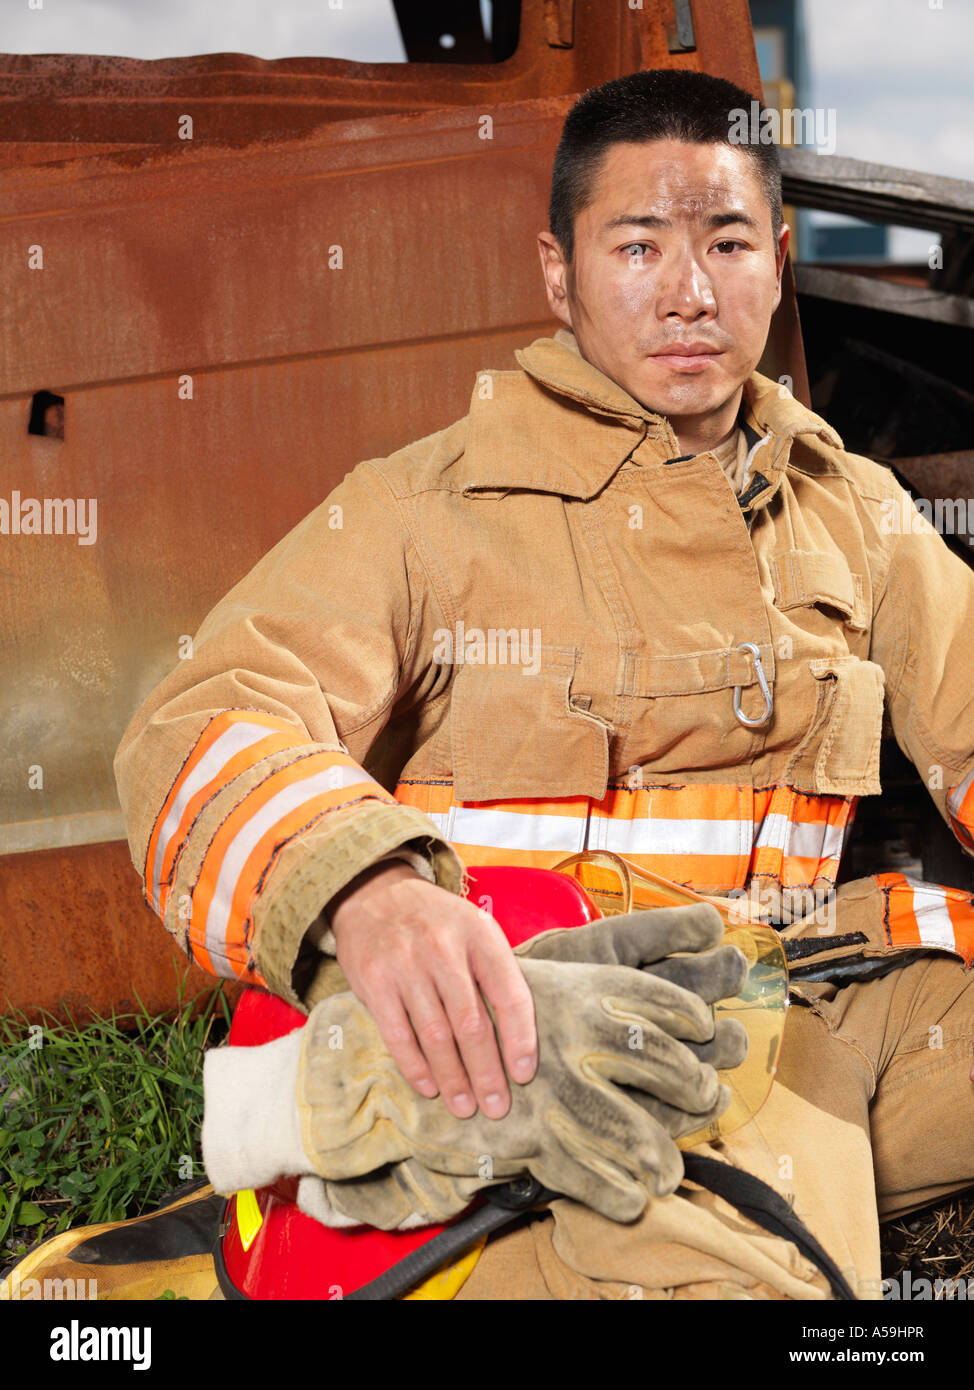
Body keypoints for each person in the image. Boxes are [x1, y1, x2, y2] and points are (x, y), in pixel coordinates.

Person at [113, 68, 974, 1300]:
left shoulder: (851, 507)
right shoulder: (424, 507)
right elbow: (205, 715)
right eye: (637, 246)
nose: (687, 293)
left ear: (776, 260)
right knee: (737, 1280)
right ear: (557, 274)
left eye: (726, 242)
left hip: (815, 1007)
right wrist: (367, 890)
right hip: (543, 1048)